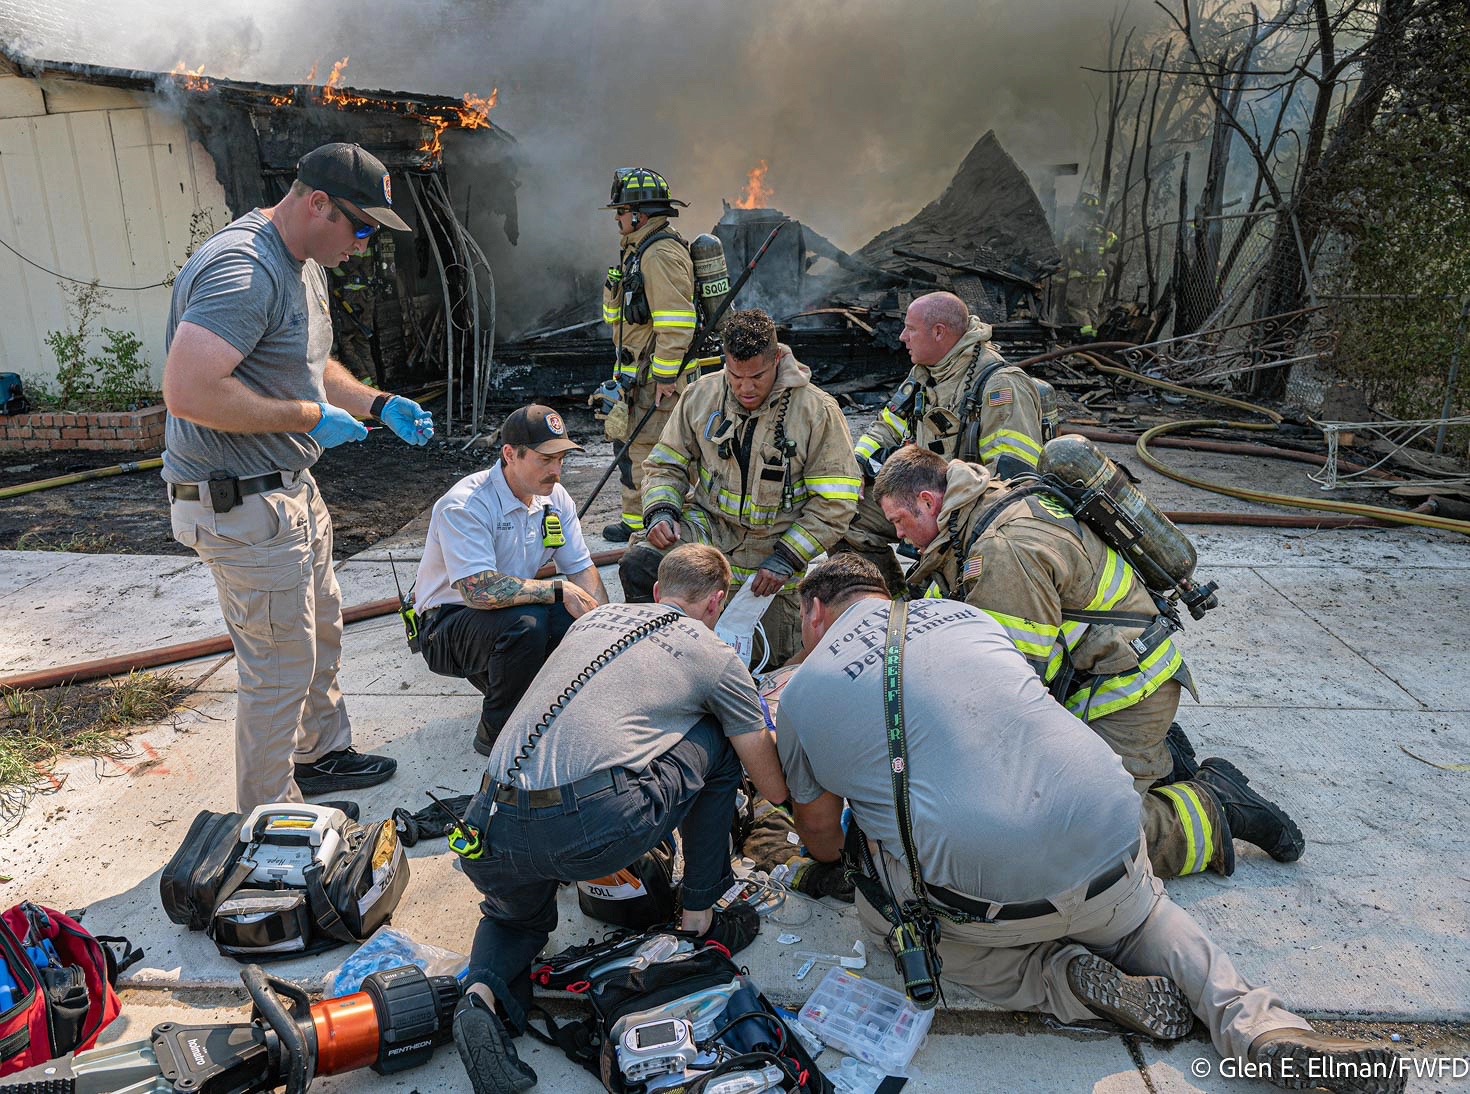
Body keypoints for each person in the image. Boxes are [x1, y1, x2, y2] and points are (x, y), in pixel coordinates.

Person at [774, 556, 1403, 1092]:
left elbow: (824, 836)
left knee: (888, 920)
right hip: (1109, 834)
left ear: (814, 612)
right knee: (1149, 920)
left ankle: (1060, 981)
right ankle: (1262, 1026)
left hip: (991, 900)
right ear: (884, 594)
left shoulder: (804, 691)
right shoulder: (966, 617)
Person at [872, 445, 1304, 879]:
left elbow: (1010, 687)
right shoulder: (977, 514)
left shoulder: (1003, 549)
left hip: (1125, 696)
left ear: (928, 502)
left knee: (1072, 836)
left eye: (899, 521)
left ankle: (1214, 809)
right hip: (1105, 681)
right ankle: (1158, 761)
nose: (899, 535)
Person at [451, 544, 791, 1094]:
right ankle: (700, 919)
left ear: (657, 591)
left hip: (488, 820)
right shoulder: (714, 653)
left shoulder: (593, 620)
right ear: (717, 602)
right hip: (590, 826)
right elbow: (771, 785)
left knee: (513, 918)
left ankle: (479, 998)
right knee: (722, 743)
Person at [162, 141, 435, 813]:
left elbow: (309, 367)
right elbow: (189, 390)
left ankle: (321, 757)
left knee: (320, 635)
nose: (364, 246)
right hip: (240, 502)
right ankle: (270, 822)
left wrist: (374, 403)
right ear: (318, 204)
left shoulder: (305, 263)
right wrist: (309, 417)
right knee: (279, 670)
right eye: (361, 229)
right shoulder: (243, 269)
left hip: (288, 489)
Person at [619, 309, 862, 668]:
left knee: (764, 664)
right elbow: (665, 464)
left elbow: (836, 503)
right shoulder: (701, 396)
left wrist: (787, 558)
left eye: (757, 376)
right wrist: (661, 512)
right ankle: (655, 665)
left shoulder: (816, 411)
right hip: (709, 534)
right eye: (735, 376)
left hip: (774, 552)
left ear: (777, 360)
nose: (746, 388)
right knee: (640, 562)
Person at [415, 404, 608, 756]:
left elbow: (581, 569)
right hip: (446, 625)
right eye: (545, 459)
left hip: (507, 613)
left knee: (574, 618)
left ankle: (543, 706)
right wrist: (557, 589)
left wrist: (602, 630)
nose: (556, 471)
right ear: (509, 454)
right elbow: (478, 591)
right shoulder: (466, 505)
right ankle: (499, 732)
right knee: (527, 624)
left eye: (561, 459)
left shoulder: (554, 498)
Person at [836, 291, 1049, 592]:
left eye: (910, 329)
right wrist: (857, 465)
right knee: (843, 512)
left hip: (967, 511)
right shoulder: (924, 374)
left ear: (939, 332)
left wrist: (948, 517)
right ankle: (891, 602)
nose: (902, 337)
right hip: (924, 499)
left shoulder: (1000, 385)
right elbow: (886, 426)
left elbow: (1012, 482)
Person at [596, 167, 699, 543]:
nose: (618, 219)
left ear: (640, 214)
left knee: (652, 452)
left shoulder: (659, 254)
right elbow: (622, 319)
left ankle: (659, 524)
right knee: (630, 448)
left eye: (622, 211)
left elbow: (677, 322)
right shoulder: (638, 251)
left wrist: (666, 377)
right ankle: (636, 521)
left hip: (658, 380)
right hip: (636, 375)